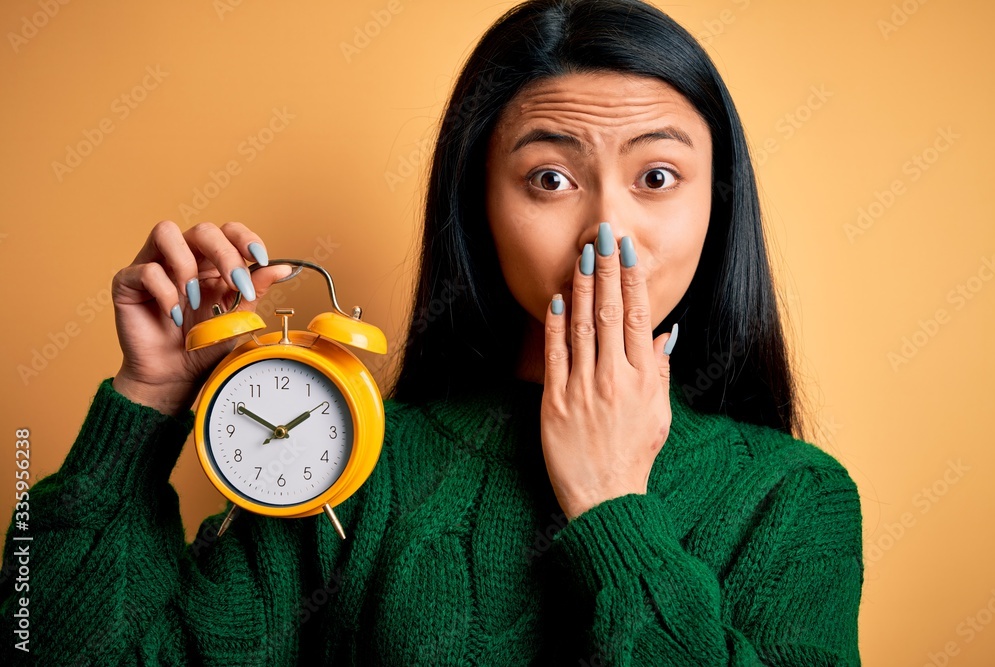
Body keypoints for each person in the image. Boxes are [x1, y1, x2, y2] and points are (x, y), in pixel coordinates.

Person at [0, 0, 864, 664]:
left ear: (719, 203)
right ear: (479, 205)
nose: (608, 231)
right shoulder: (346, 464)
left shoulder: (793, 498)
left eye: (659, 176)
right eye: (551, 178)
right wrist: (144, 402)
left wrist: (611, 504)